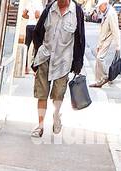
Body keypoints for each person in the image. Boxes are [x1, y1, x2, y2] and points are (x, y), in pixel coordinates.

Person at [30, 0, 87, 138]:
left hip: (63, 61)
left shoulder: (76, 12)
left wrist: (78, 63)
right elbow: (37, 32)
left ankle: (56, 114)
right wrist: (39, 51)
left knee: (58, 94)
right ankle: (40, 126)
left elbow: (80, 39)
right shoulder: (49, 9)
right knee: (41, 93)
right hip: (45, 58)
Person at [92, 0, 121, 85]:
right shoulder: (106, 12)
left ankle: (104, 77)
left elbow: (115, 30)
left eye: (100, 6)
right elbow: (103, 31)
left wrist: (118, 46)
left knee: (99, 58)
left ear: (105, 5)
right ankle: (98, 80)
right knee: (98, 58)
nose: (99, 9)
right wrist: (99, 44)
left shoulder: (111, 13)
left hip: (108, 38)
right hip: (104, 38)